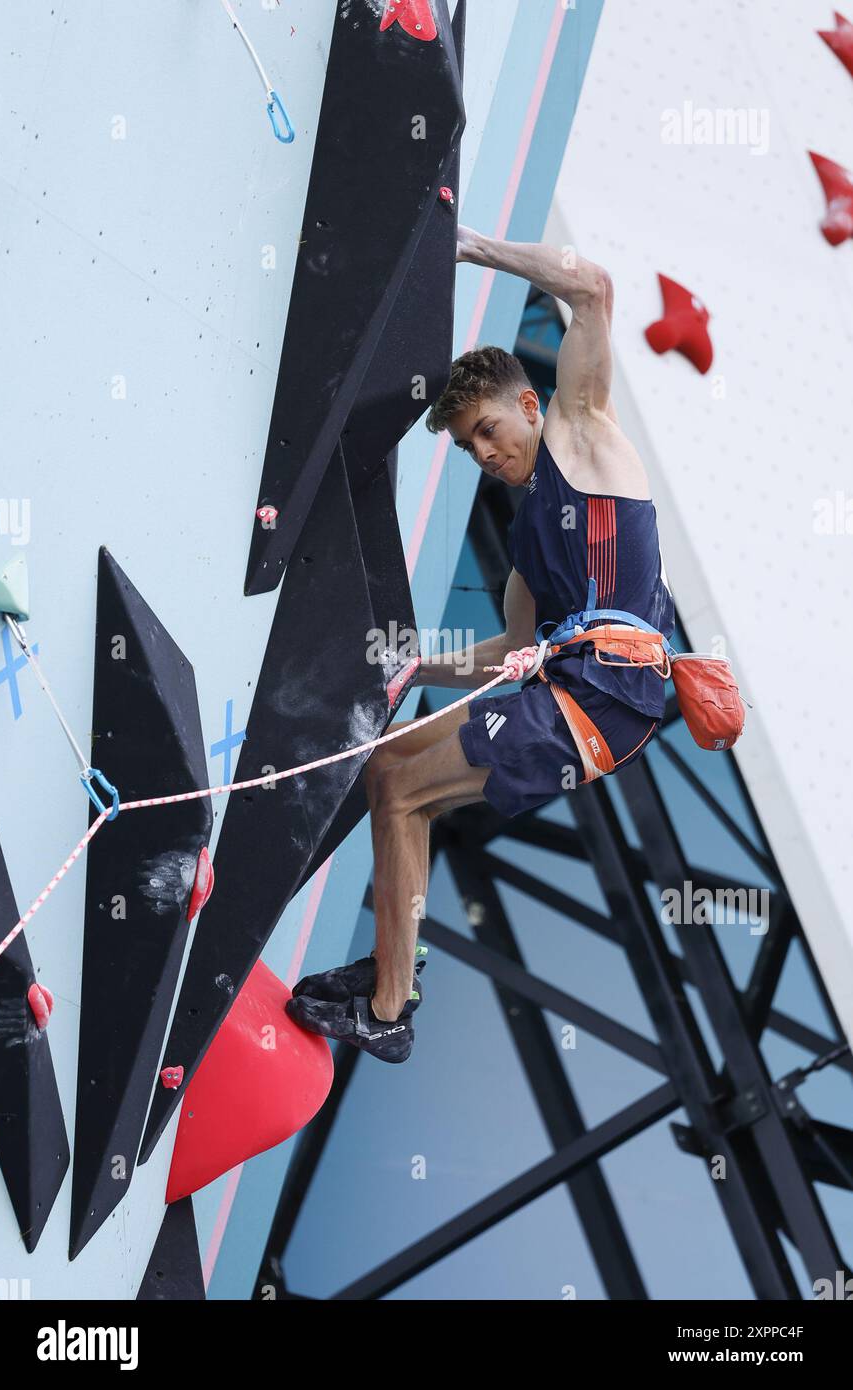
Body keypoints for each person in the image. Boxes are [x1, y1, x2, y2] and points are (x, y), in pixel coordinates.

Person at [286, 229, 674, 1063]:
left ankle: (389, 1009)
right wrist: (407, 667)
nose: (485, 452)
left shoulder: (583, 434)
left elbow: (595, 289)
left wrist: (468, 247)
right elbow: (507, 650)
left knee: (397, 791)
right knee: (390, 763)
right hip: (571, 696)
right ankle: (396, 969)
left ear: (531, 405)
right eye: (467, 446)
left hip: (609, 702)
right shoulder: (533, 537)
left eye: (491, 429)